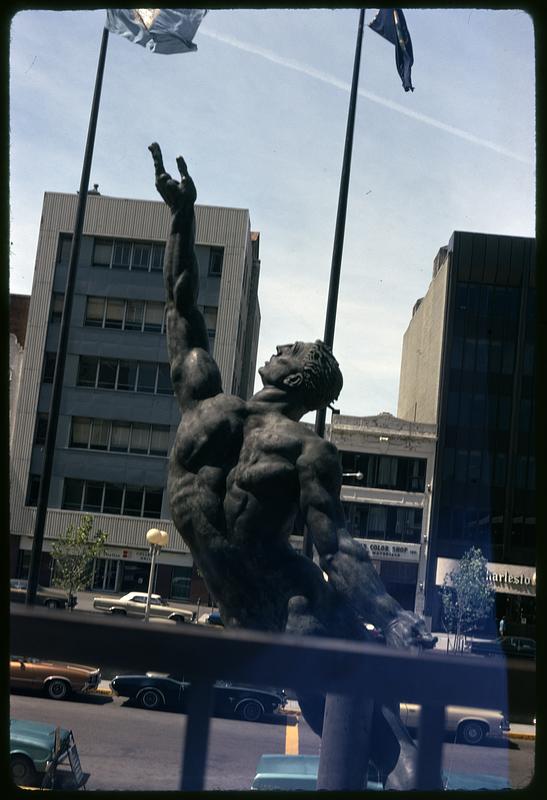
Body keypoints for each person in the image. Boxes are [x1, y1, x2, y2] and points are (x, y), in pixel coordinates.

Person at [148, 143, 437, 788]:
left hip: (278, 611)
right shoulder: (220, 406)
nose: (277, 347)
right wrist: (181, 214)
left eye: (290, 348)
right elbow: (179, 302)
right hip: (280, 612)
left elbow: (338, 547)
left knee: (382, 752)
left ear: (302, 374)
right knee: (372, 748)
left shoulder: (287, 441)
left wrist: (389, 616)